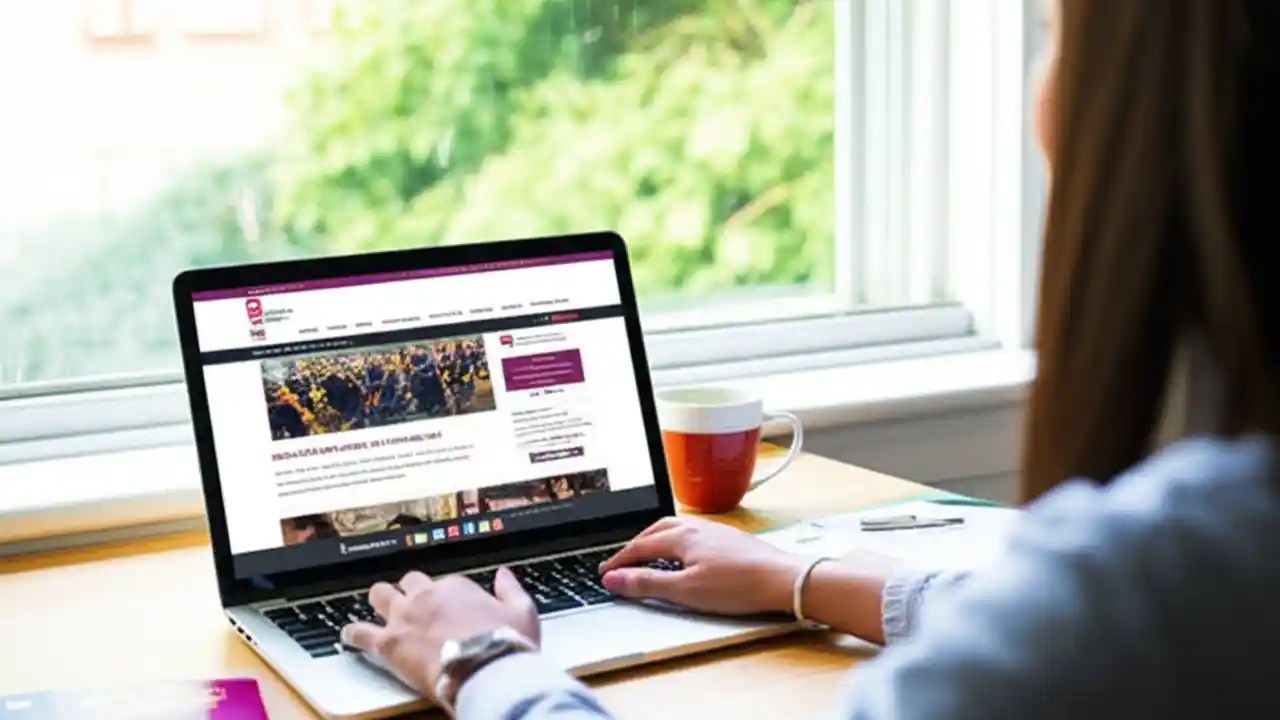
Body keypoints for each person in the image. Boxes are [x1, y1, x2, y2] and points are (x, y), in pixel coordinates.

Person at [339, 1, 1280, 717]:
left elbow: (1108, 616)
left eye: (1063, 33)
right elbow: (1070, 625)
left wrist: (481, 664)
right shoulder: (1195, 560)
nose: (1043, 89)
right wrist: (798, 579)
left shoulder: (1173, 562)